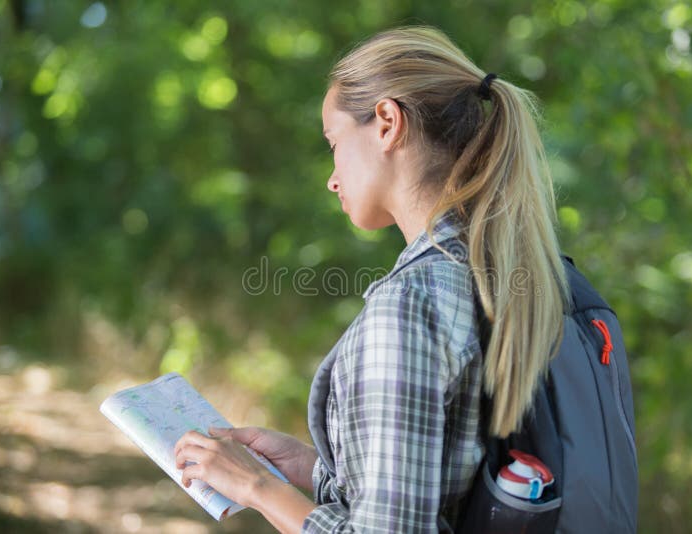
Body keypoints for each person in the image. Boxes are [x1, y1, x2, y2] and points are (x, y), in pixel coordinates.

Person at [174, 25, 569, 533]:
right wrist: (312, 470)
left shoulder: (409, 305)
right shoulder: (502, 274)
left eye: (334, 142)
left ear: (386, 122)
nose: (331, 177)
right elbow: (452, 483)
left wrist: (259, 488)